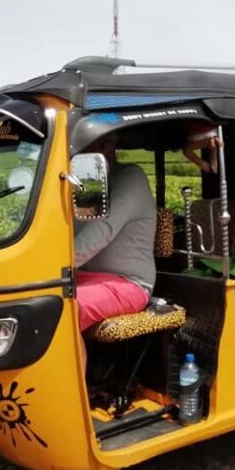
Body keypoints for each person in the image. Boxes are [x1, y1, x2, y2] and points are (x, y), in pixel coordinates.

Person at [74, 134, 156, 331]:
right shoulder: (90, 179)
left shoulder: (130, 178)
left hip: (128, 283)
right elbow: (76, 229)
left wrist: (48, 269)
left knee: (62, 308)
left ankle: (74, 363)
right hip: (83, 275)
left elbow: (100, 232)